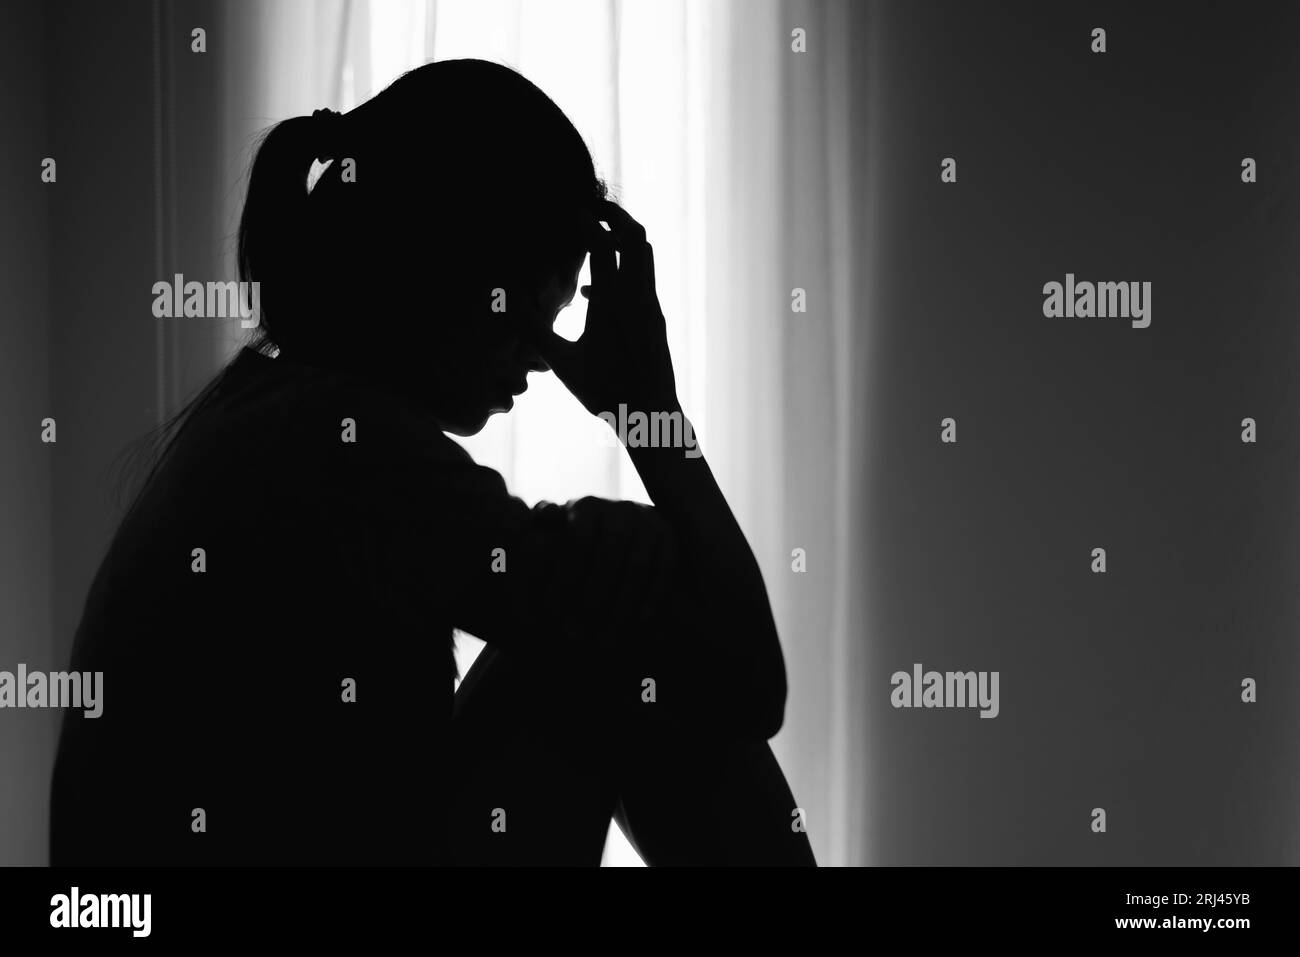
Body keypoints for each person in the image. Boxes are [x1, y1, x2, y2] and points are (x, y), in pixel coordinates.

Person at [49, 58, 815, 866]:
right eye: (529, 315)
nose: (542, 359)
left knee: (601, 612)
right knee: (607, 638)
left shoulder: (283, 417)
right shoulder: (341, 448)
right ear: (446, 269)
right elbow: (747, 678)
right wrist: (648, 412)